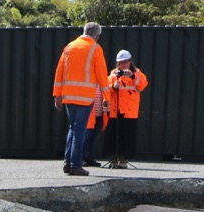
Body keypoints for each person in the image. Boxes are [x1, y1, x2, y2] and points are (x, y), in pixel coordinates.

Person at [53, 23, 109, 177]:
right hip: (85, 97)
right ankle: (75, 165)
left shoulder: (69, 46)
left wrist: (57, 94)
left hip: (68, 95)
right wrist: (107, 97)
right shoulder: (95, 49)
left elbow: (59, 72)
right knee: (79, 130)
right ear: (97, 35)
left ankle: (68, 163)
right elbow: (102, 75)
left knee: (72, 128)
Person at [100, 50, 148, 169]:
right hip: (115, 111)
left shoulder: (137, 74)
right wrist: (112, 87)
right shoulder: (113, 75)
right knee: (114, 135)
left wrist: (131, 76)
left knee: (127, 135)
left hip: (129, 111)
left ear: (130, 62)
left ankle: (123, 159)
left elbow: (142, 85)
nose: (123, 65)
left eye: (125, 62)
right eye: (120, 63)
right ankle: (114, 158)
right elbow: (105, 89)